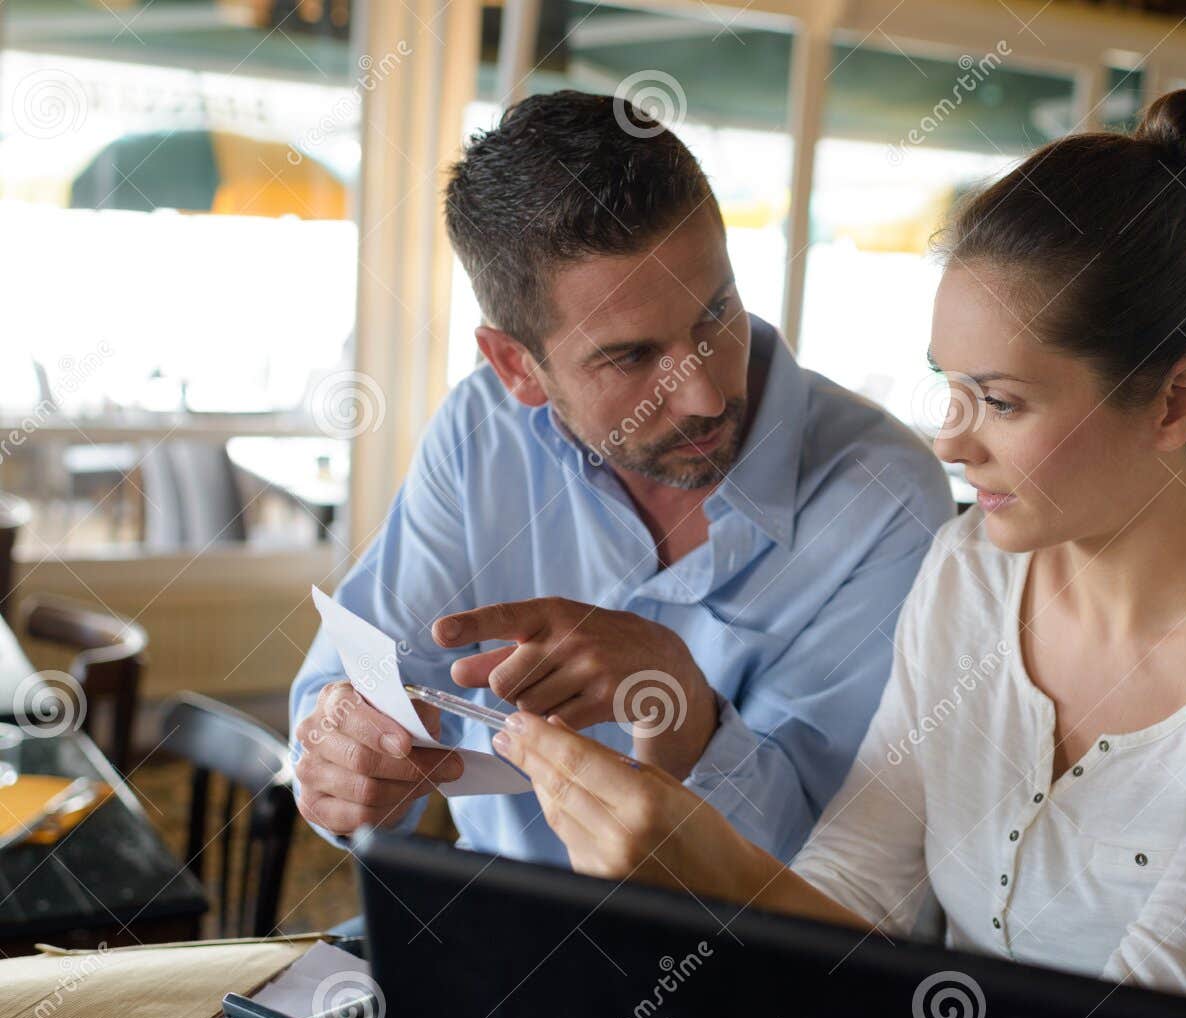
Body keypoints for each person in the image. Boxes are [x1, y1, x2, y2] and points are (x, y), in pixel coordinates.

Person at [490, 90, 1186, 1018]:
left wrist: (715, 866)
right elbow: (860, 895)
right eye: (948, 385)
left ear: (1178, 401)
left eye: (1001, 402)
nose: (949, 441)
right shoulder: (969, 573)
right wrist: (693, 877)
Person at [288, 91, 954, 865]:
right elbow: (346, 690)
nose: (705, 396)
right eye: (632, 356)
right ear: (515, 365)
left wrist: (682, 707)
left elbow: (838, 867)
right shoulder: (481, 435)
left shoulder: (887, 498)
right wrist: (346, 761)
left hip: (735, 941)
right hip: (496, 914)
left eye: (716, 315)